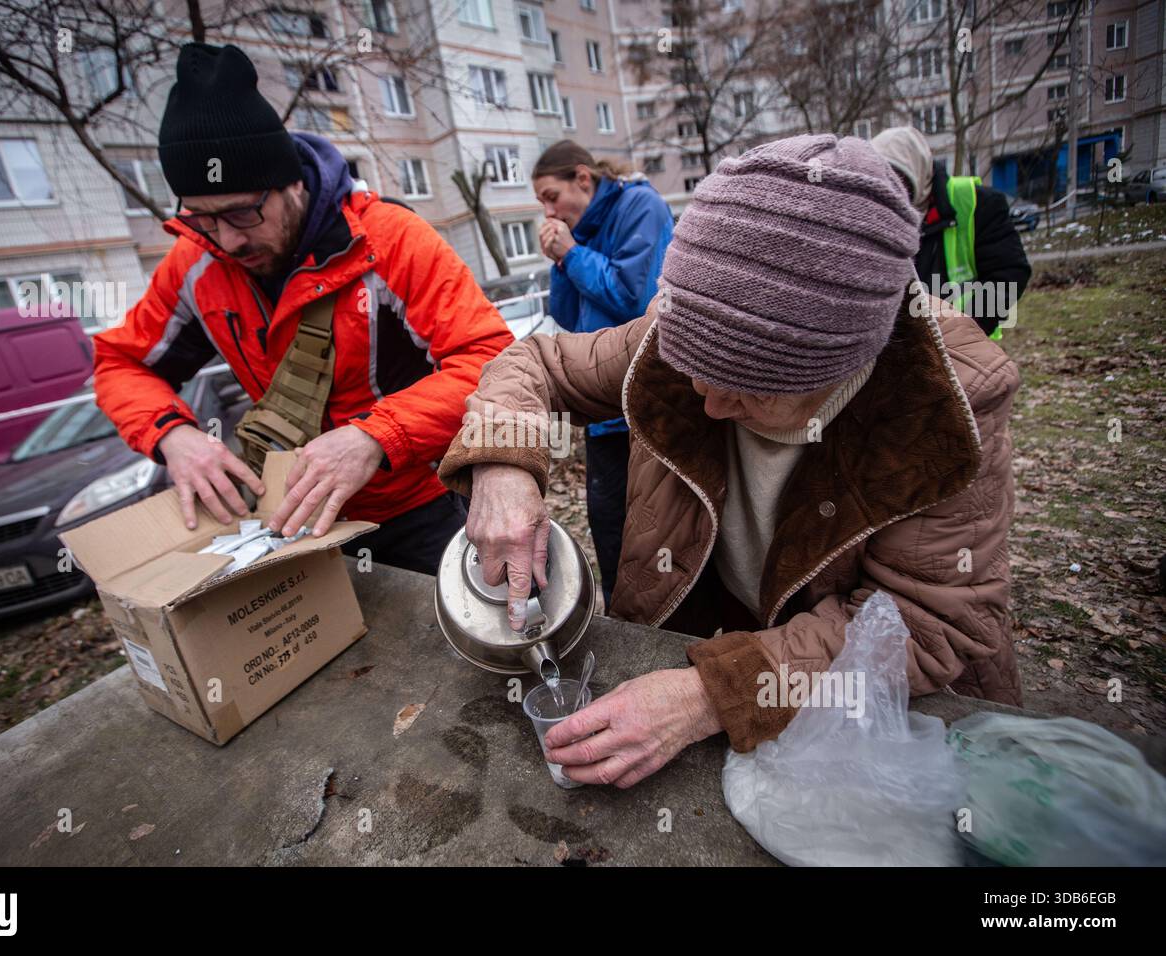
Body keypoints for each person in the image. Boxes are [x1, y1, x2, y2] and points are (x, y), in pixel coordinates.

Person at [439, 134, 1022, 788]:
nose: (709, 406)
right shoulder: (685, 326)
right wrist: (504, 466)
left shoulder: (946, 402)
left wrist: (710, 695)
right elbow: (538, 362)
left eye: (746, 390)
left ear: (842, 371)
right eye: (694, 372)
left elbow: (928, 625)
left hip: (885, 735)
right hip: (714, 638)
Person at [91, 43, 513, 574]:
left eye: (243, 212)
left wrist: (375, 435)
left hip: (420, 507)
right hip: (296, 519)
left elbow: (491, 361)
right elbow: (120, 363)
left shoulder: (391, 240)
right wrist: (173, 436)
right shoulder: (195, 263)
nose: (227, 239)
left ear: (291, 182)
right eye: (201, 219)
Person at [531, 141, 674, 609]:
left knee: (660, 527)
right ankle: (619, 621)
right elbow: (570, 318)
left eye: (552, 196)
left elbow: (636, 301)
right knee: (609, 525)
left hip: (650, 398)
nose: (549, 210)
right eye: (542, 203)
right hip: (602, 408)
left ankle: (671, 627)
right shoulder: (581, 229)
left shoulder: (641, 206)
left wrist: (571, 252)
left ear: (583, 178)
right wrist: (560, 260)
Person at [872, 126, 1032, 339]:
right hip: (904, 351)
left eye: (898, 180)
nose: (891, 191)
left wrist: (965, 333)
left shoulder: (976, 203)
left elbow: (1009, 274)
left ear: (918, 172)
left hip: (966, 346)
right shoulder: (875, 213)